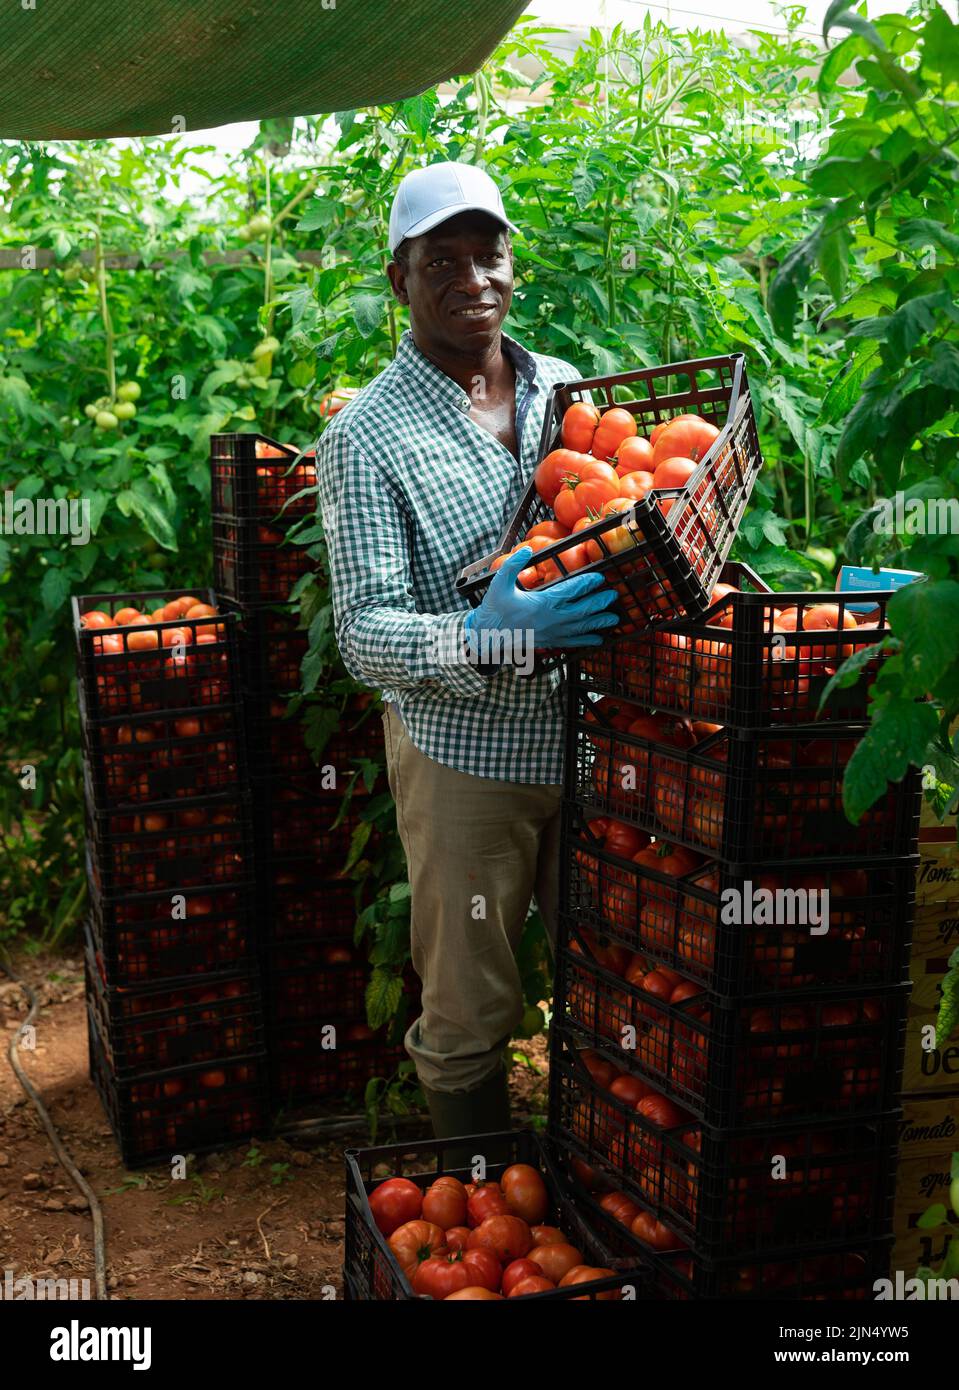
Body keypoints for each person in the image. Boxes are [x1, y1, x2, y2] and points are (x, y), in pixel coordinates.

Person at [317, 161, 618, 1151]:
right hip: (468, 764)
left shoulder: (568, 394)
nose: (471, 277)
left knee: (618, 967)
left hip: (588, 742)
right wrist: (482, 638)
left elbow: (619, 522)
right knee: (467, 1000)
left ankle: (594, 1168)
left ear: (512, 263)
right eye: (438, 259)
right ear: (396, 277)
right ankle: (478, 1198)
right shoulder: (365, 437)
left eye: (486, 252)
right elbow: (362, 629)